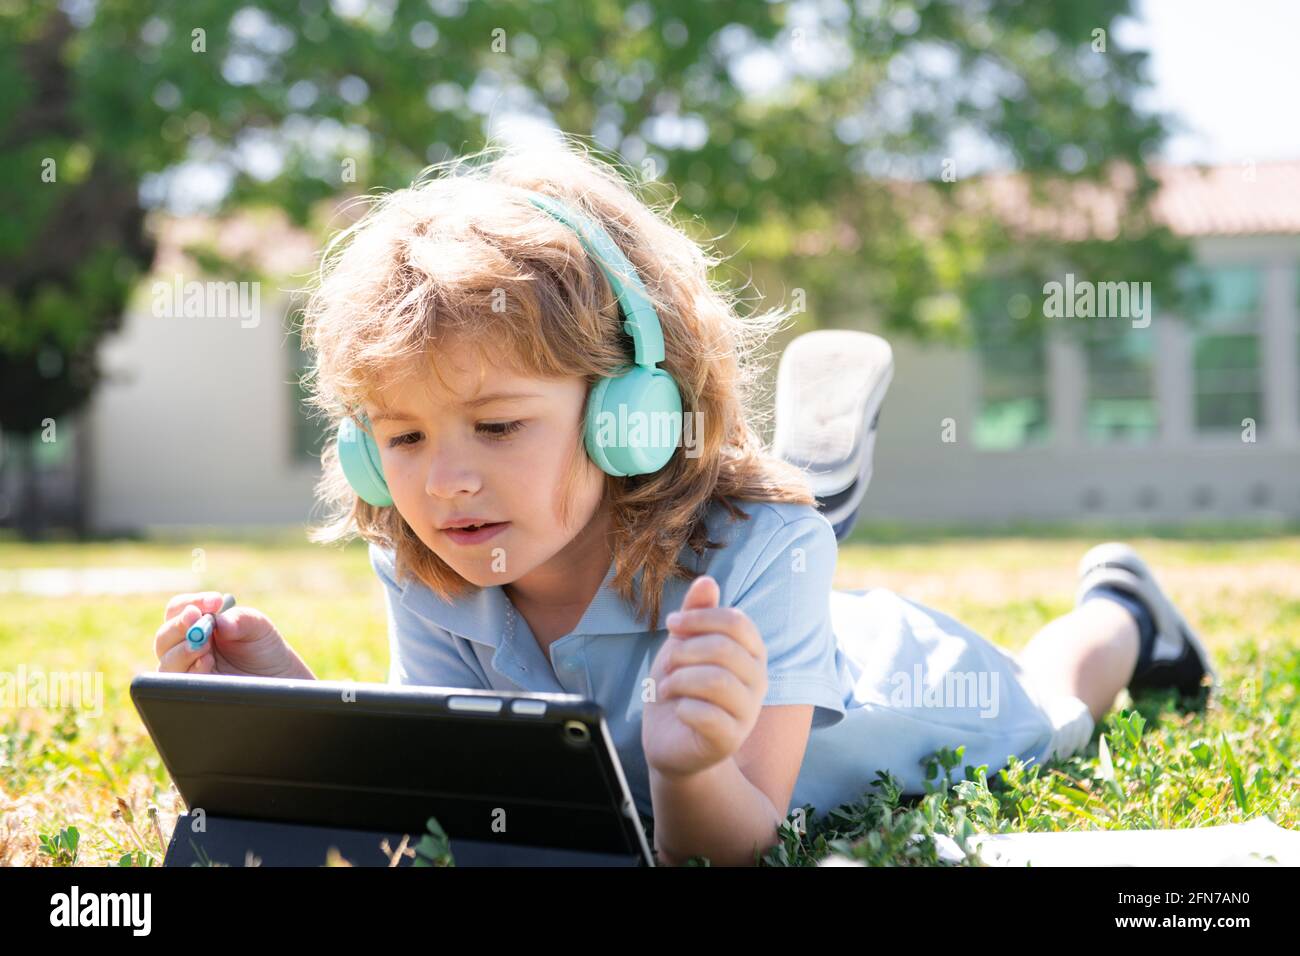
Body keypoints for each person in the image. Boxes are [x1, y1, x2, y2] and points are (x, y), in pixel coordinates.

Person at [153, 138, 1216, 866]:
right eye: (405, 437)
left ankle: (1124, 608)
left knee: (1056, 702)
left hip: (898, 681)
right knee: (772, 538)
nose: (446, 480)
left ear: (631, 411)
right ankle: (805, 487)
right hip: (743, 592)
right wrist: (290, 713)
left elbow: (727, 846)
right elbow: (457, 793)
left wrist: (694, 763)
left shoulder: (767, 555)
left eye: (497, 424)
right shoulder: (430, 556)